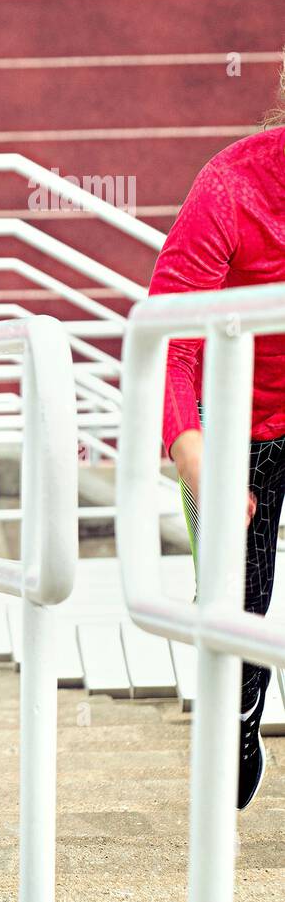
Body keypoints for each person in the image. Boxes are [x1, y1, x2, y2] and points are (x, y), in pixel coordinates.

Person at [147, 91, 285, 811]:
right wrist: (193, 455)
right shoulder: (230, 185)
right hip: (242, 426)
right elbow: (169, 341)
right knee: (239, 610)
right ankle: (234, 726)